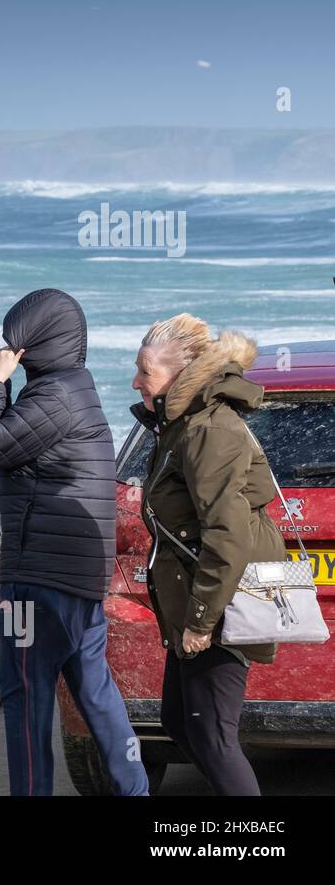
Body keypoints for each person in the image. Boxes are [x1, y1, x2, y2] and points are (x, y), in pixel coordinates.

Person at [0, 288, 147, 796]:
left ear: (36, 343)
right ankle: (135, 792)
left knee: (25, 699)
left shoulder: (53, 397)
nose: (9, 353)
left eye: (14, 344)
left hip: (41, 579)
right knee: (95, 694)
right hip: (75, 577)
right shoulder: (75, 388)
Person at [131, 314, 279, 795]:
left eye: (145, 371)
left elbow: (227, 532)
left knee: (214, 737)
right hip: (196, 599)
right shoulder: (180, 424)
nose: (136, 382)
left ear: (180, 375)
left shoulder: (209, 430)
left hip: (220, 604)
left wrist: (200, 620)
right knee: (180, 720)